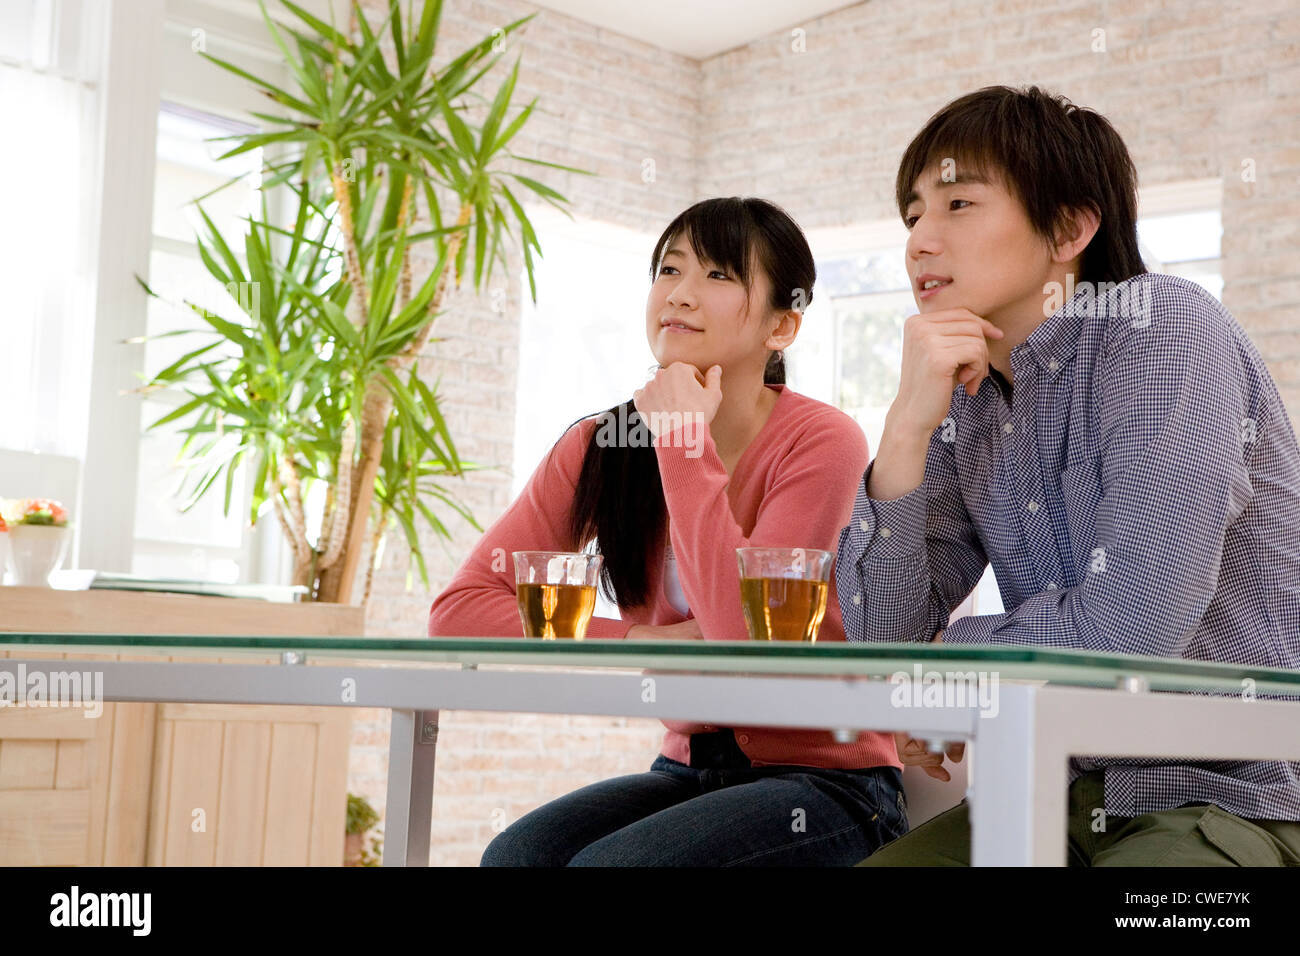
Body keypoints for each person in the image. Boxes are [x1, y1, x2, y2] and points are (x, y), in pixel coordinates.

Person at [839, 85, 1300, 866]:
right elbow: (882, 641)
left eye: (957, 205)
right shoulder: (967, 399)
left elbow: (1127, 639)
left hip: (1229, 797)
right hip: (1052, 795)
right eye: (912, 214)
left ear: (1070, 227)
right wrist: (905, 427)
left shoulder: (1163, 330)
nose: (918, 239)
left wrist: (947, 660)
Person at [429, 196, 906, 866]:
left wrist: (683, 440)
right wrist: (639, 637)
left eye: (718, 276)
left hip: (830, 784)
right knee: (516, 858)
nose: (680, 294)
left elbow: (747, 644)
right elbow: (460, 611)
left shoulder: (822, 441)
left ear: (782, 325)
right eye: (669, 270)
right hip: (685, 772)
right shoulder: (603, 445)